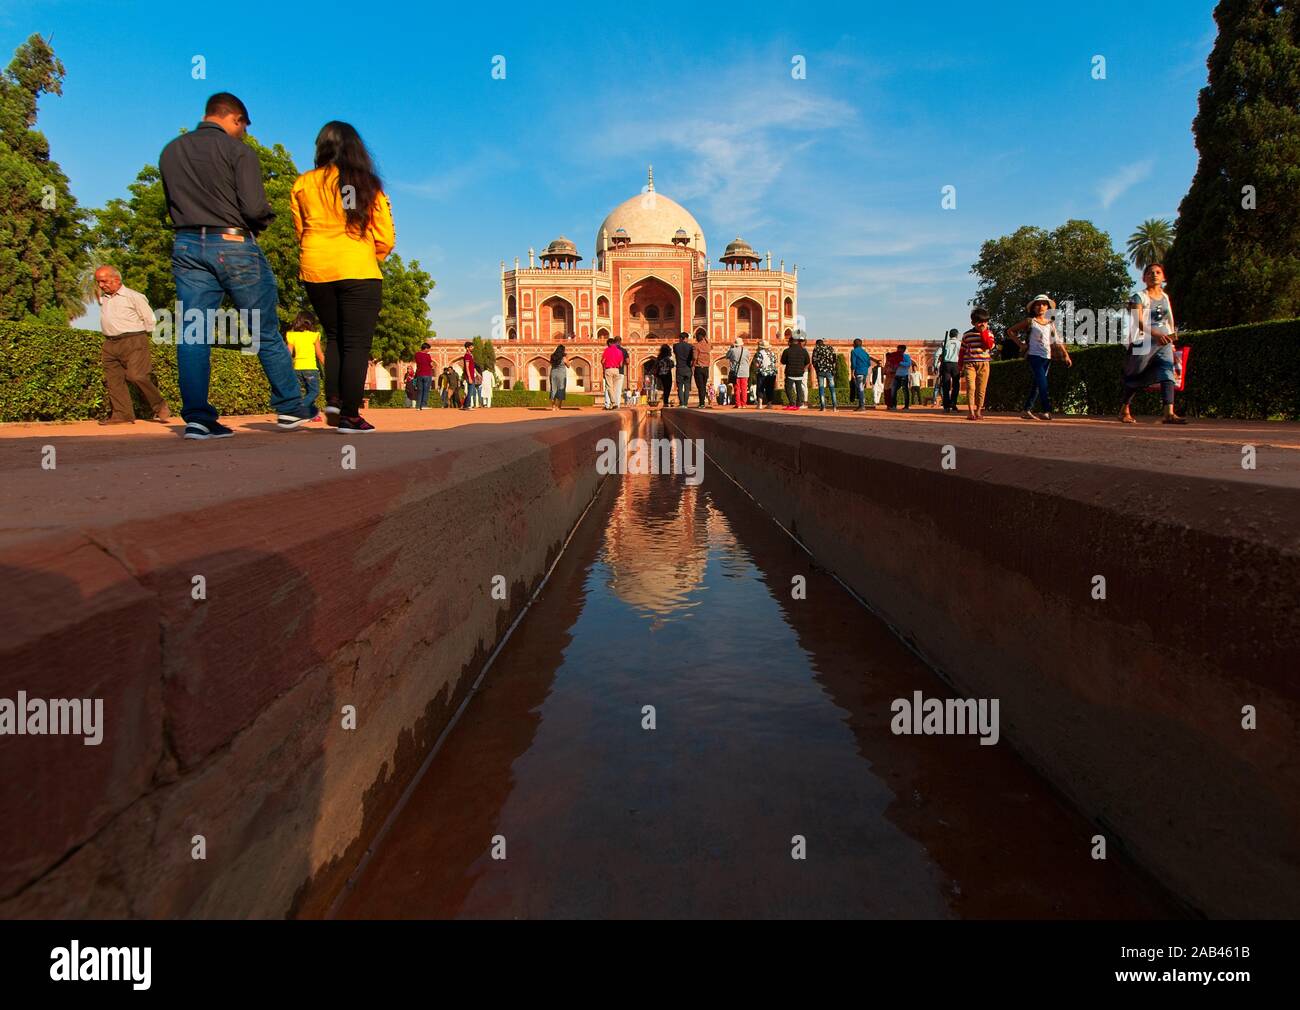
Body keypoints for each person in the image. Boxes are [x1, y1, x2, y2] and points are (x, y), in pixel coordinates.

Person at [160, 92, 317, 439]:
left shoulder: (171, 151)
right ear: (235, 118)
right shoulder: (238, 151)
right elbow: (254, 207)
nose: (243, 132)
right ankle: (290, 407)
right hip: (233, 243)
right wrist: (262, 223)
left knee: (193, 333)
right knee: (263, 330)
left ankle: (198, 419)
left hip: (186, 243)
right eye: (244, 126)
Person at [291, 119, 394, 433]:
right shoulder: (365, 184)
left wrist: (319, 254)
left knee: (335, 337)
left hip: (316, 269)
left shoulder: (303, 184)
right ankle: (350, 414)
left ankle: (334, 401)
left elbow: (301, 230)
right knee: (356, 344)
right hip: (357, 269)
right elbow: (385, 237)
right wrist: (367, 256)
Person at [92, 266, 171, 426]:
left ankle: (159, 405)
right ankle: (122, 415)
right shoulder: (105, 298)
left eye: (104, 281)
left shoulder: (134, 296)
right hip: (110, 343)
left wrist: (141, 336)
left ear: (116, 279)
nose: (101, 285)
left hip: (134, 340)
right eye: (98, 282)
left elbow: (150, 319)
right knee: (114, 380)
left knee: (137, 375)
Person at [1120, 264, 1187, 425]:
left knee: (1167, 373)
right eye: (1150, 273)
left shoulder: (1165, 297)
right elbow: (1138, 321)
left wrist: (1170, 341)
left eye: (1158, 272)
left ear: (1163, 277)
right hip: (1144, 341)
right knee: (1136, 374)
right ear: (1144, 278)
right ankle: (1124, 409)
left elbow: (1168, 321)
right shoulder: (1139, 297)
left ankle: (1168, 413)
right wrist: (1156, 334)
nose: (1154, 275)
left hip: (1164, 342)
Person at [1007, 295, 1072, 420]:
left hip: (1047, 357)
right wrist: (1020, 344)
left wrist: (1066, 355)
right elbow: (1010, 331)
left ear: (1047, 307)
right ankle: (1046, 410)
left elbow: (1057, 340)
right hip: (1034, 355)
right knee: (1043, 383)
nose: (1041, 306)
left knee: (1038, 383)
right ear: (1033, 308)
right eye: (1038, 304)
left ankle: (1026, 409)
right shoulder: (1029, 321)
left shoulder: (1051, 324)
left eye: (1043, 304)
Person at [284, 311, 325, 420]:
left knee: (307, 392)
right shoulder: (314, 335)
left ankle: (312, 415)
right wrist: (328, 366)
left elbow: (288, 353)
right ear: (311, 322)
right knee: (314, 392)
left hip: (297, 369)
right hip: (310, 368)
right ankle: (298, 409)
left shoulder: (291, 335)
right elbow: (319, 354)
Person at [960, 308, 996, 420]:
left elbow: (989, 345)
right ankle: (971, 411)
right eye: (980, 322)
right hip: (969, 363)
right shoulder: (967, 335)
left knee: (982, 388)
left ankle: (979, 410)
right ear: (973, 322)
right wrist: (960, 366)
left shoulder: (989, 333)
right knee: (971, 387)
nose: (983, 324)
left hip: (984, 363)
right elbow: (962, 351)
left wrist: (983, 332)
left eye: (985, 322)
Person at [934, 328, 962, 413]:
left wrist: (935, 365)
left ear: (950, 335)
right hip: (956, 365)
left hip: (946, 365)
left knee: (946, 385)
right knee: (956, 385)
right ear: (957, 335)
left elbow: (937, 354)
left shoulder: (945, 343)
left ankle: (946, 406)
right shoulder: (960, 343)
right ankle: (953, 404)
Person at [780, 334, 810, 410]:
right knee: (799, 388)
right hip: (800, 373)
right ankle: (798, 404)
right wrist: (803, 369)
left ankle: (792, 403)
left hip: (790, 373)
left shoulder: (787, 351)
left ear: (790, 342)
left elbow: (782, 362)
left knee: (788, 388)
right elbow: (808, 362)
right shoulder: (803, 351)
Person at [812, 338, 838, 411]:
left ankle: (823, 407)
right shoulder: (830, 348)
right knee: (832, 389)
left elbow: (813, 360)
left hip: (820, 371)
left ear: (817, 344)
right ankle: (834, 407)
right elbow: (834, 358)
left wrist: (816, 368)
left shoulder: (816, 349)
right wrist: (833, 367)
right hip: (829, 370)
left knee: (821, 389)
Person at [726, 338, 751, 409]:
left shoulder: (732, 350)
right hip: (745, 372)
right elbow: (749, 358)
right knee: (744, 388)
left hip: (736, 372)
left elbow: (727, 356)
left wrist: (731, 348)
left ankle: (738, 404)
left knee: (737, 388)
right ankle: (744, 404)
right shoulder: (746, 351)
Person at [886, 344, 913, 410]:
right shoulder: (895, 356)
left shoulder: (906, 356)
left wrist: (899, 362)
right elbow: (893, 364)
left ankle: (906, 406)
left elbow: (908, 364)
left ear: (903, 350)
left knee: (905, 391)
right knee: (893, 391)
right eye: (897, 349)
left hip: (904, 375)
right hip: (896, 375)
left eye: (899, 349)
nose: (897, 350)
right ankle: (894, 406)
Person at [601, 337, 624, 409]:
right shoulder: (619, 351)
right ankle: (613, 404)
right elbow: (621, 364)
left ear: (609, 343)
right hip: (617, 370)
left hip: (609, 369)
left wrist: (603, 367)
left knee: (609, 387)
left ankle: (614, 403)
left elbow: (603, 361)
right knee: (615, 388)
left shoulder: (607, 350)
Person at [753, 339, 777, 409]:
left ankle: (760, 404)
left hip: (762, 372)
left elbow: (757, 364)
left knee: (760, 388)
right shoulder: (772, 353)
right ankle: (769, 404)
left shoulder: (759, 353)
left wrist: (755, 363)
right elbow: (775, 362)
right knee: (770, 388)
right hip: (772, 373)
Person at [850, 338, 872, 412]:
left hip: (859, 372)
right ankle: (860, 405)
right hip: (865, 372)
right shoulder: (865, 353)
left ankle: (862, 406)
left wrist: (852, 372)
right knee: (861, 388)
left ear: (854, 344)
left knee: (860, 389)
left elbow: (853, 363)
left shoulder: (854, 352)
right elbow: (869, 364)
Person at [672, 332, 694, 407]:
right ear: (686, 338)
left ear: (680, 338)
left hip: (680, 368)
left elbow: (675, 353)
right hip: (688, 368)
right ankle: (686, 404)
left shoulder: (675, 346)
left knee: (680, 387)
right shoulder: (690, 346)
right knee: (687, 387)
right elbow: (692, 357)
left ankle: (681, 403)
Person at [458, 342, 481, 409]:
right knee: (470, 391)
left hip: (471, 375)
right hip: (469, 376)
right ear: (467, 348)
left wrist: (477, 373)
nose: (472, 348)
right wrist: (469, 377)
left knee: (470, 391)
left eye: (472, 347)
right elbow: (467, 367)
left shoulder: (470, 355)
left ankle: (464, 405)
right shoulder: (467, 356)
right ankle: (466, 406)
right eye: (471, 347)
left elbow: (472, 366)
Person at [692, 330, 712, 407]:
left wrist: (692, 366)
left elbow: (694, 357)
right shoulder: (708, 345)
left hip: (699, 368)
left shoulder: (696, 346)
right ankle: (702, 402)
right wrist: (706, 339)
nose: (696, 337)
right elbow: (711, 346)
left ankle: (702, 403)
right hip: (706, 368)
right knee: (703, 386)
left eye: (697, 336)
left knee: (700, 386)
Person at [413, 342, 435, 409]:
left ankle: (418, 406)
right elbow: (431, 364)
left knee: (420, 390)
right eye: (428, 349)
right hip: (427, 374)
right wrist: (432, 366)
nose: (428, 350)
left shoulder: (416, 354)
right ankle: (424, 405)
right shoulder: (427, 355)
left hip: (419, 374)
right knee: (426, 390)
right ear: (425, 348)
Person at [549, 344, 568, 410]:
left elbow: (551, 363)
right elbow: (568, 365)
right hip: (561, 375)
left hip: (553, 373)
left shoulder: (552, 356)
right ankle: (558, 406)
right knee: (561, 389)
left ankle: (553, 406)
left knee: (553, 389)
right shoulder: (564, 358)